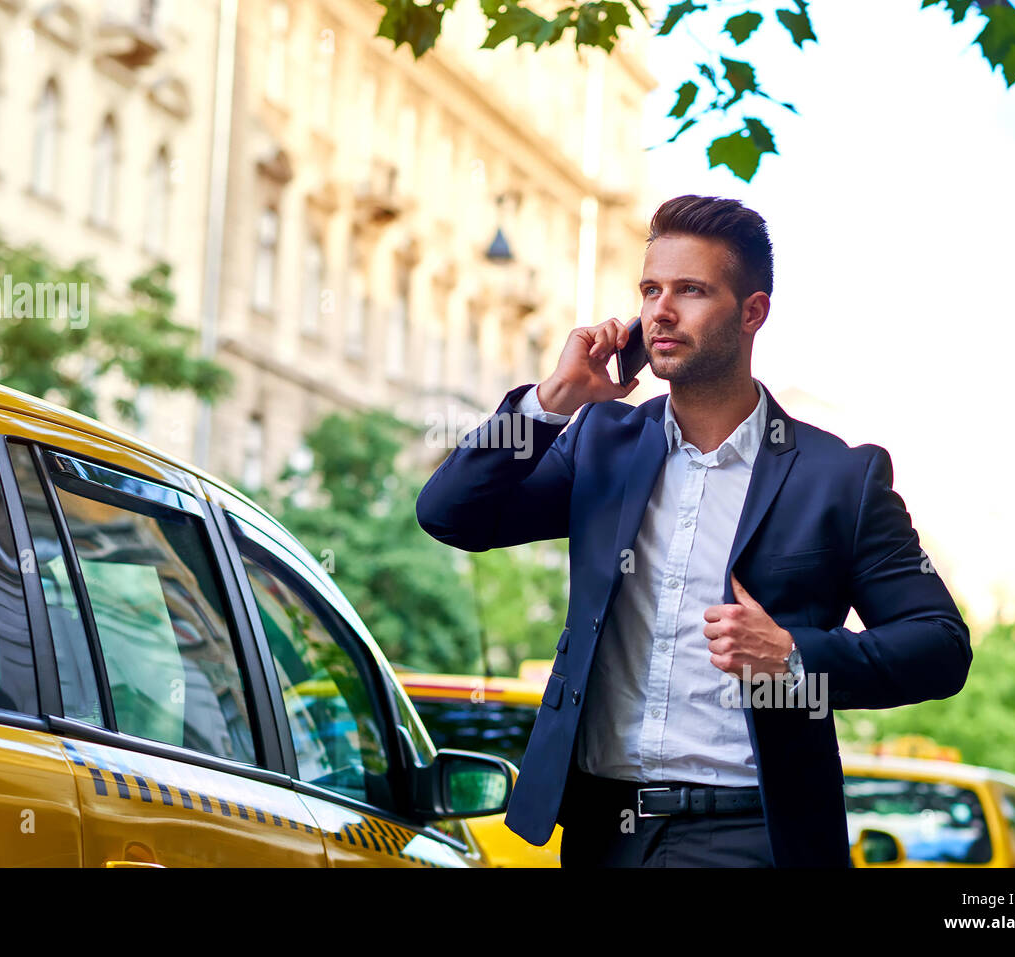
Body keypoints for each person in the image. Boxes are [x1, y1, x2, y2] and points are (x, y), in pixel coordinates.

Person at [415, 195, 971, 867]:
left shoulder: (839, 479)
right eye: (650, 289)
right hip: (601, 831)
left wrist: (794, 655)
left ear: (752, 312)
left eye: (691, 290)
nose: (660, 311)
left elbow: (940, 646)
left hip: (749, 834)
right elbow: (450, 512)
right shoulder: (602, 441)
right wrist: (553, 401)